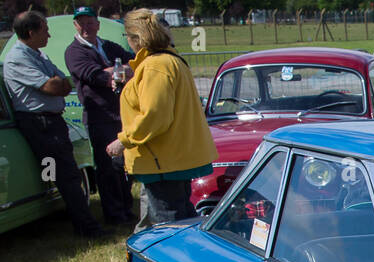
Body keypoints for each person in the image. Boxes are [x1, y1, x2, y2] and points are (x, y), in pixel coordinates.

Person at [106, 9, 216, 230]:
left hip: (164, 161)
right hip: (171, 157)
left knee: (169, 226)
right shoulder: (166, 61)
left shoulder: (156, 66)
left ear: (134, 38)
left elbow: (155, 115)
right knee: (182, 220)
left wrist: (124, 140)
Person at [2, 10, 102, 237]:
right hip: (39, 122)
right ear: (31, 32)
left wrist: (58, 83)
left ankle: (80, 220)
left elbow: (63, 81)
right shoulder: (18, 58)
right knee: (66, 173)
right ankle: (87, 227)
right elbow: (54, 87)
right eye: (45, 30)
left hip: (51, 120)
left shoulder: (38, 55)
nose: (49, 35)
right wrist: (57, 84)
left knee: (69, 173)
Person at [65, 7, 133, 226]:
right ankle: (114, 214)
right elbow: (90, 74)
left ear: (98, 24)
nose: (86, 27)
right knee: (108, 167)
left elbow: (133, 63)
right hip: (99, 116)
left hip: (121, 113)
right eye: (81, 23)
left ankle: (126, 208)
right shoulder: (74, 51)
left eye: (90, 22)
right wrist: (117, 71)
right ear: (75, 26)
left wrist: (119, 69)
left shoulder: (110, 46)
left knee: (125, 165)